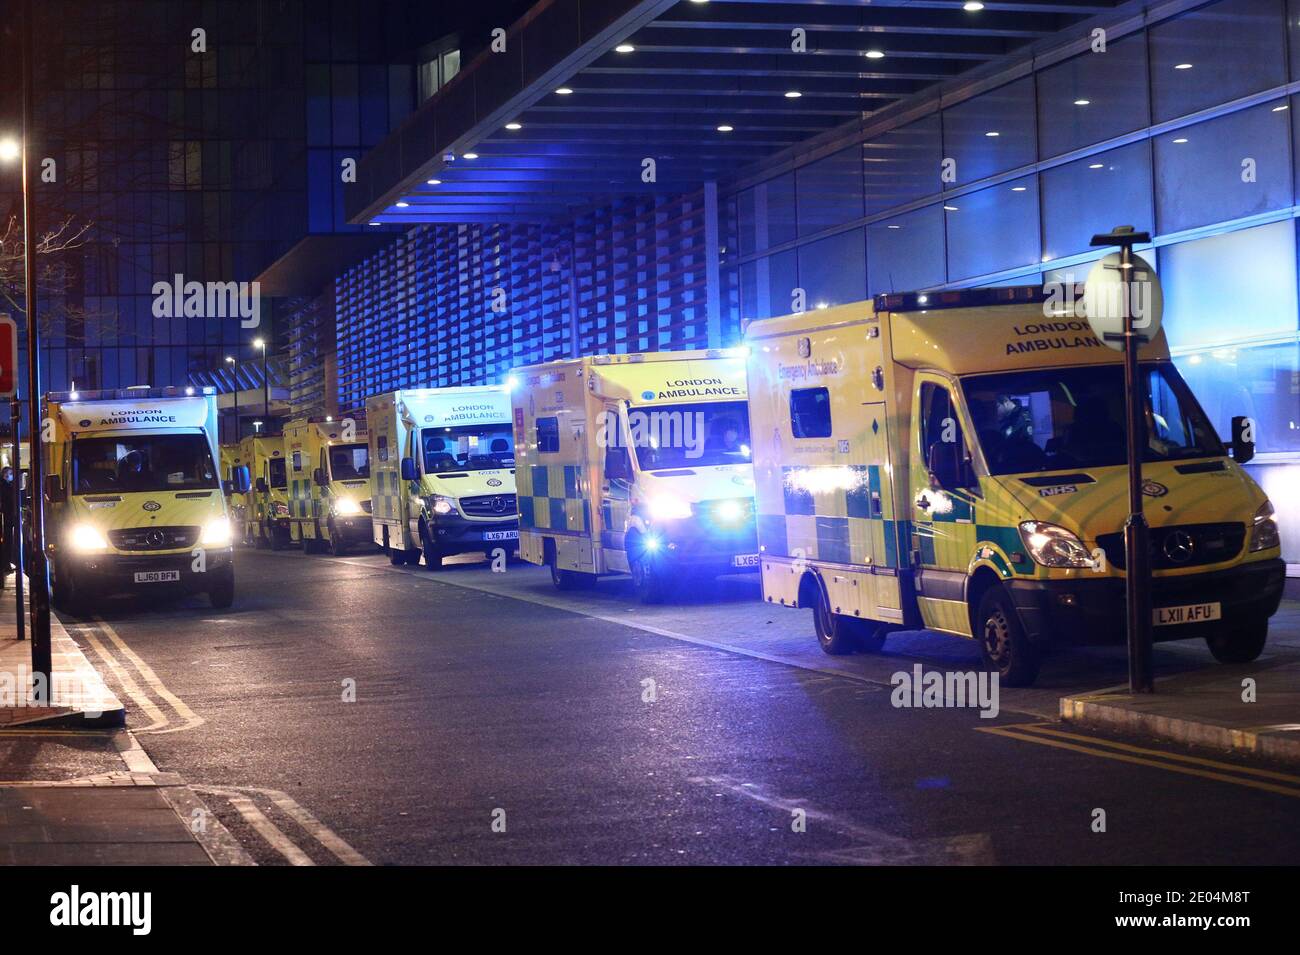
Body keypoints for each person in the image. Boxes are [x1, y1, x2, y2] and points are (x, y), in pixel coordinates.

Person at [0, 466, 15, 574]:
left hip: (7, 517)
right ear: (6, 475)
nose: (11, 476)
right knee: (7, 541)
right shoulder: (5, 486)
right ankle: (6, 564)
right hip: (7, 517)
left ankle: (7, 564)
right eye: (10, 474)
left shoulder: (5, 485)